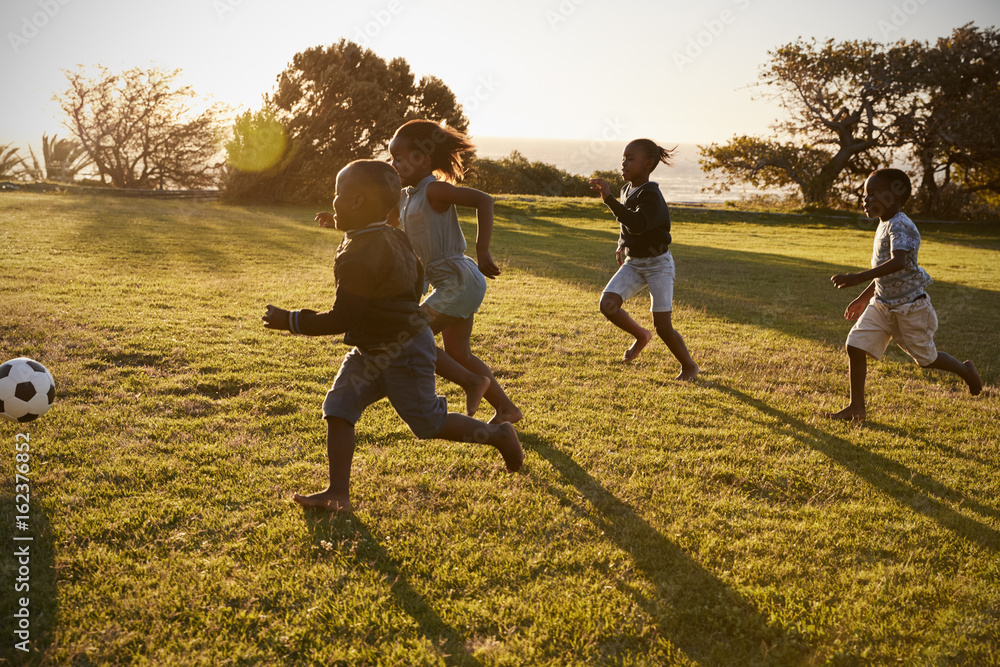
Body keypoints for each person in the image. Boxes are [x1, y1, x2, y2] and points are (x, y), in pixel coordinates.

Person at [264, 160, 523, 512]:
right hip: (371, 349)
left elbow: (343, 317)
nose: (334, 200)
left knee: (428, 422)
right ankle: (337, 493)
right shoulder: (392, 236)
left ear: (356, 201)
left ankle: (498, 435)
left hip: (402, 351)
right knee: (339, 408)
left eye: (338, 194)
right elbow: (414, 280)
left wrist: (290, 320)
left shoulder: (358, 254)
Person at [386, 119, 522, 425]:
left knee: (408, 335)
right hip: (450, 283)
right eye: (391, 157)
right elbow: (385, 226)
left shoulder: (434, 190)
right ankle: (506, 409)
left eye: (398, 158)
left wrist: (482, 248)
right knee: (459, 354)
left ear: (421, 160)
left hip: (458, 280)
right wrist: (341, 222)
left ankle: (472, 383)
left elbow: (482, 200)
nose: (392, 163)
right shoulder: (407, 197)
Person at [828, 168, 983, 421]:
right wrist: (864, 298)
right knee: (855, 346)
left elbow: (898, 262)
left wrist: (858, 277)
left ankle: (964, 370)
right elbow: (886, 274)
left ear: (893, 197)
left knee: (926, 359)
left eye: (873, 194)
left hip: (910, 307)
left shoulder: (901, 225)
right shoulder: (884, 224)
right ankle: (857, 408)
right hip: (882, 304)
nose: (865, 199)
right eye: (865, 195)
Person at [589, 139, 699, 380]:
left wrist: (609, 200)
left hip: (658, 264)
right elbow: (626, 225)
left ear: (647, 164)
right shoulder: (627, 189)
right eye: (623, 157)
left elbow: (638, 223)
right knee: (607, 304)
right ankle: (641, 335)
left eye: (630, 158)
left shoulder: (651, 194)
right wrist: (622, 244)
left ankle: (689, 366)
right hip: (635, 263)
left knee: (663, 326)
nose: (624, 162)